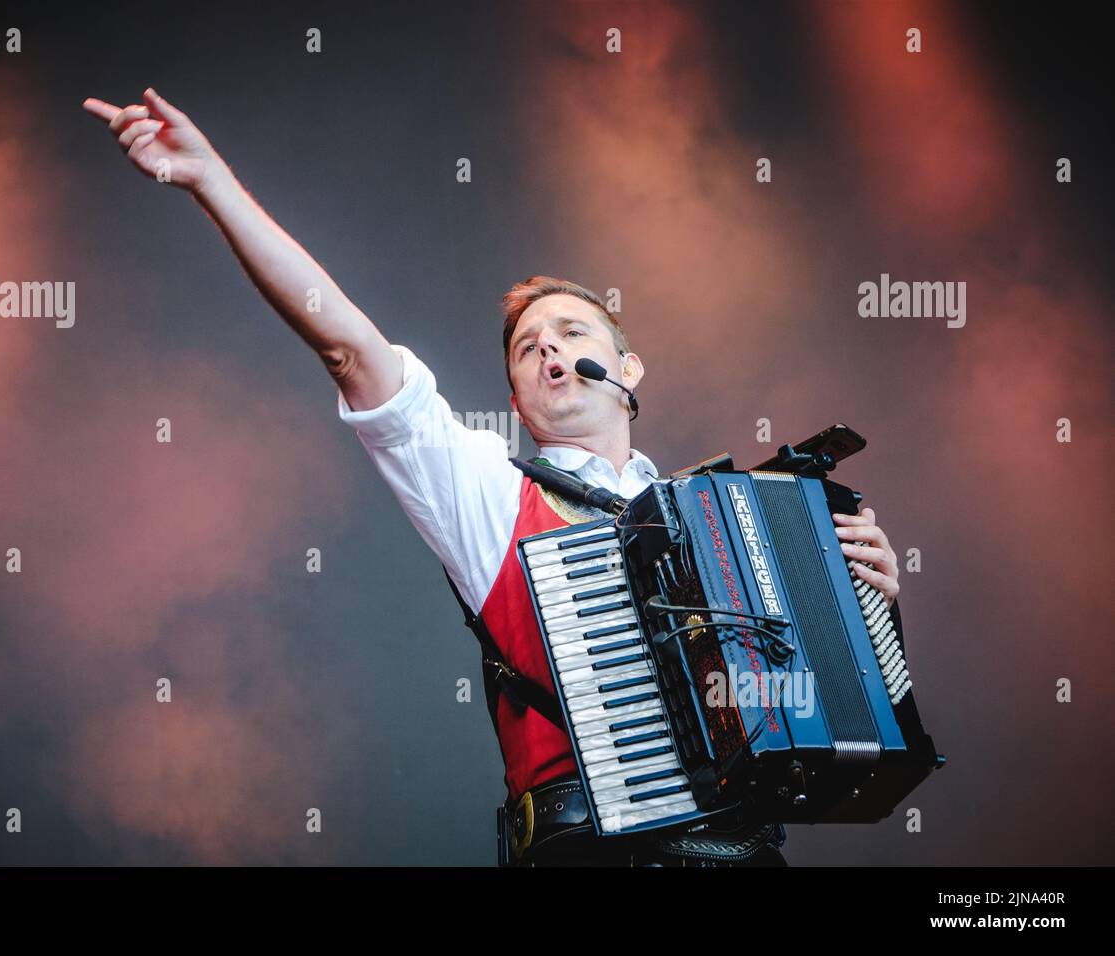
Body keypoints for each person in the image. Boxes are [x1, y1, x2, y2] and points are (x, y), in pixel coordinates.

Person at [83, 89, 905, 867]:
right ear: (515, 398)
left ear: (628, 367)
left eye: (570, 331)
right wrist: (212, 184)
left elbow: (815, 700)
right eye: (527, 346)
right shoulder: (482, 487)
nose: (550, 348)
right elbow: (350, 348)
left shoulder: (732, 521)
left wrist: (861, 597)